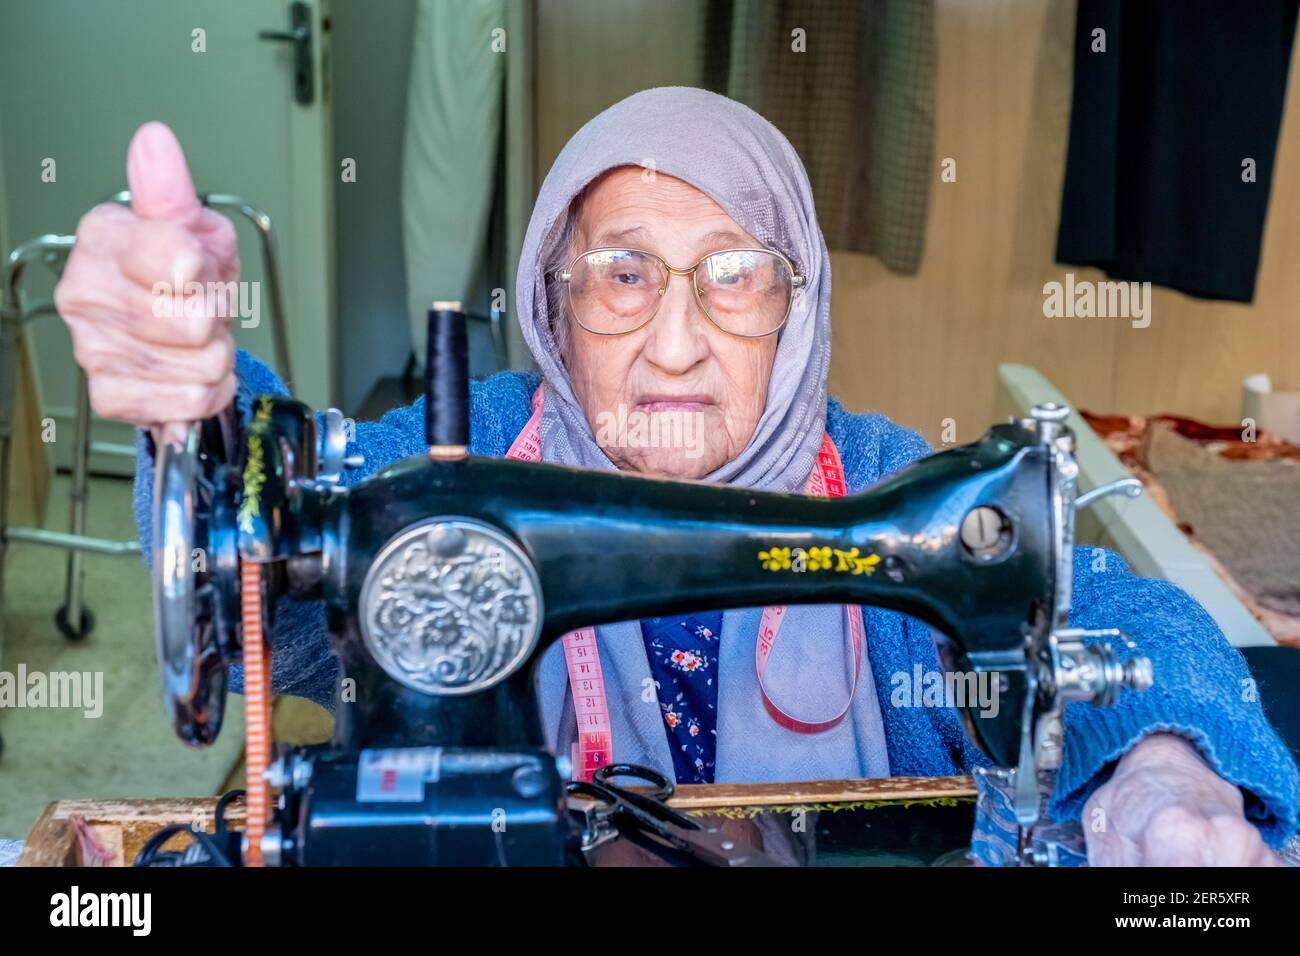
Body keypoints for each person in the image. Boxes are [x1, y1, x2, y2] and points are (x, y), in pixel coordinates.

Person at [55, 87, 1297, 865]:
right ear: (550, 293)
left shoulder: (878, 481)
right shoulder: (464, 468)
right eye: (623, 273)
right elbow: (285, 516)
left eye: (736, 272)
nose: (676, 339)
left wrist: (1163, 763)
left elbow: (1116, 614)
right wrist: (199, 387)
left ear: (797, 303)